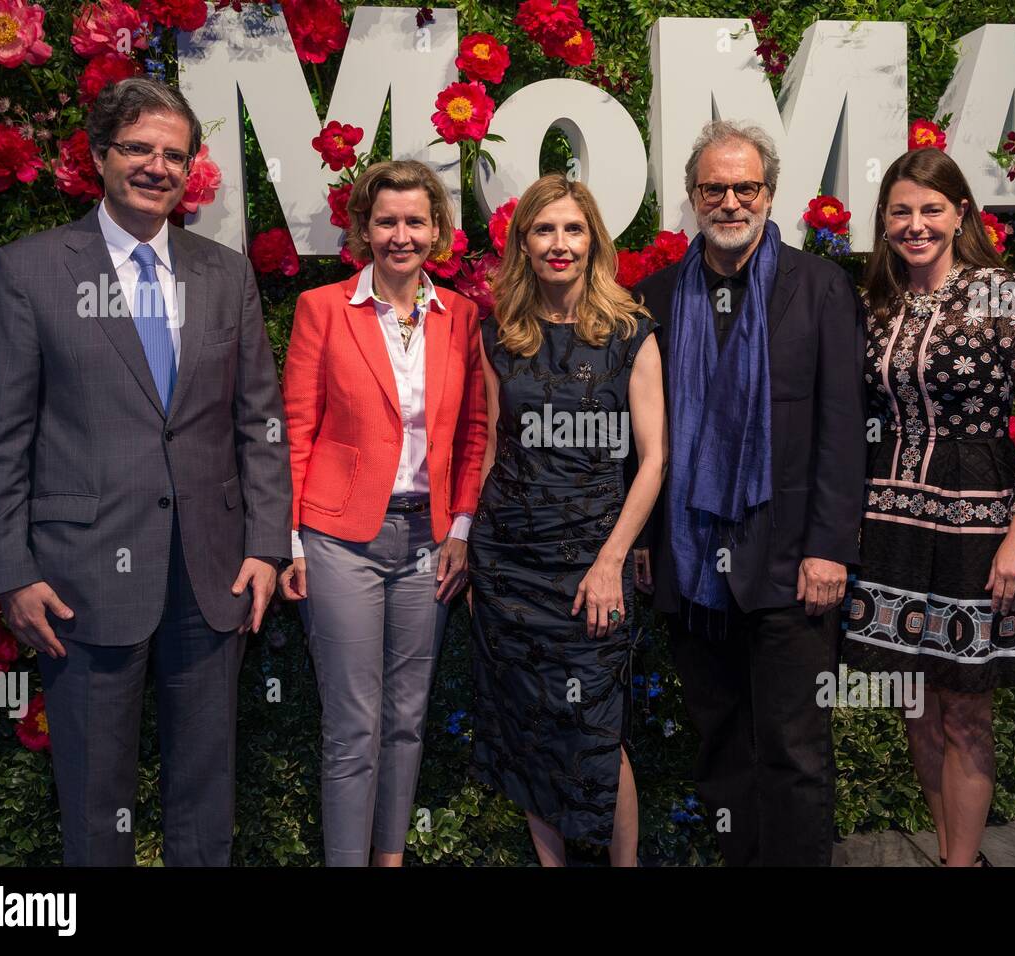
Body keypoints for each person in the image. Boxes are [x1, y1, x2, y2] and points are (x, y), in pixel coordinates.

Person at [0, 77, 293, 866]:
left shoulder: (224, 273)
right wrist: (10, 573)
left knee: (206, 797)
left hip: (213, 575)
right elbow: (0, 441)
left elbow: (260, 421)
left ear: (192, 170)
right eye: (138, 148)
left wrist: (266, 546)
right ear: (99, 156)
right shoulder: (31, 271)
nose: (157, 166)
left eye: (173, 154)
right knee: (93, 802)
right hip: (80, 580)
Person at [840, 148, 1015, 866]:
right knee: (916, 705)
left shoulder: (1002, 294)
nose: (915, 224)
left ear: (960, 214)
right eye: (901, 211)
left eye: (931, 209)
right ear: (884, 221)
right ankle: (959, 855)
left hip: (977, 519)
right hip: (891, 514)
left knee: (965, 706)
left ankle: (959, 865)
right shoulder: (877, 300)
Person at [632, 119, 867, 866]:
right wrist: (642, 542)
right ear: (693, 197)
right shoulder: (656, 297)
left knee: (796, 750)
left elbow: (841, 426)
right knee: (723, 741)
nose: (730, 201)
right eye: (714, 188)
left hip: (790, 560)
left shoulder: (821, 287)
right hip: (692, 560)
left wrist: (829, 549)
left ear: (769, 192)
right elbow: (639, 439)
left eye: (746, 187)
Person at [278, 160, 487, 866]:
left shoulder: (460, 315)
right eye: (387, 221)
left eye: (415, 221)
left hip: (430, 539)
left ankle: (390, 857)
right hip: (338, 538)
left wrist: (461, 526)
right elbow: (296, 426)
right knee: (353, 721)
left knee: (407, 716)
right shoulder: (322, 308)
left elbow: (476, 431)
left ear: (438, 231)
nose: (402, 235)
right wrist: (292, 543)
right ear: (364, 229)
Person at [468, 173, 667, 866]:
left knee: (595, 728)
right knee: (525, 724)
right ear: (523, 242)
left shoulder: (629, 332)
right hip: (507, 565)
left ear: (594, 241)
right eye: (544, 229)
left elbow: (654, 459)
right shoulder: (502, 333)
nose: (559, 244)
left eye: (573, 229)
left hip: (591, 564)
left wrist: (614, 558)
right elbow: (495, 444)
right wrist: (470, 546)